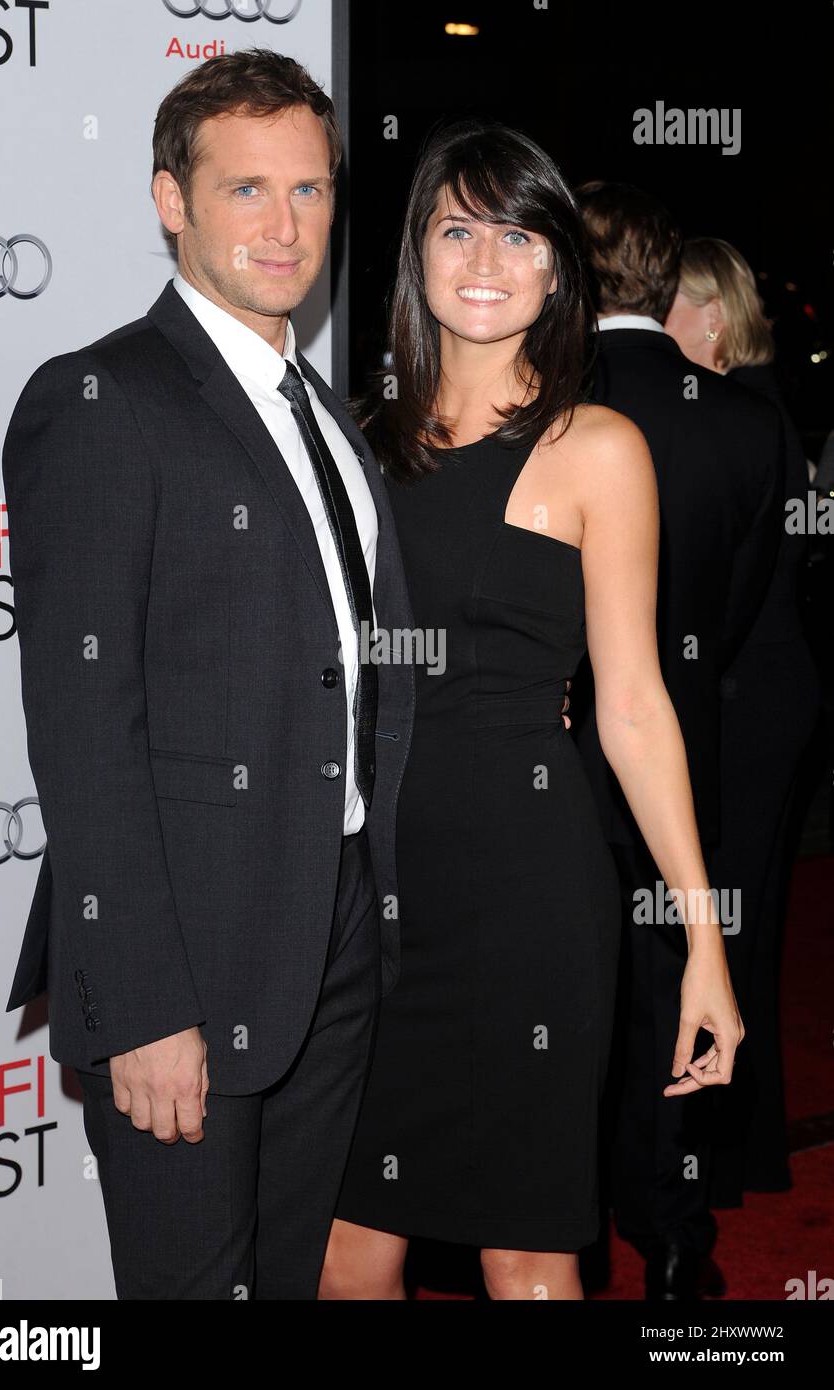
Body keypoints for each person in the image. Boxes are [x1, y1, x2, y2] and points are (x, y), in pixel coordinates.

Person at [2, 50, 415, 1300]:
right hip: (184, 950)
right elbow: (83, 729)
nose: (286, 227)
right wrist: (138, 1004)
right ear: (171, 201)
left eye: (311, 190)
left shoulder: (334, 416)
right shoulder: (102, 398)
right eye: (247, 190)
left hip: (334, 925)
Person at [322, 120, 743, 1302]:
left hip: (527, 899)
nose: (487, 256)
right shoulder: (356, 445)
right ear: (418, 253)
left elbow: (637, 710)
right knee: (344, 1248)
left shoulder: (597, 449)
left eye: (518, 231)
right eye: (458, 227)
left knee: (527, 1252)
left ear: (559, 265)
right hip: (371, 897)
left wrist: (704, 941)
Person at [573, 183, 784, 1298]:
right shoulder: (752, 426)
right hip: (682, 758)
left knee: (556, 998)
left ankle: (545, 1231)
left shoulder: (534, 402)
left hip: (546, 762)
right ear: (666, 285)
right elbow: (740, 611)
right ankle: (670, 1245)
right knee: (675, 1003)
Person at [666, 237, 822, 1204]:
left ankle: (718, 1155)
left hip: (751, 703)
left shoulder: (743, 417)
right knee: (732, 926)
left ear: (714, 316)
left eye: (670, 305)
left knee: (727, 925)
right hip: (757, 694)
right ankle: (737, 1146)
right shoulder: (747, 414)